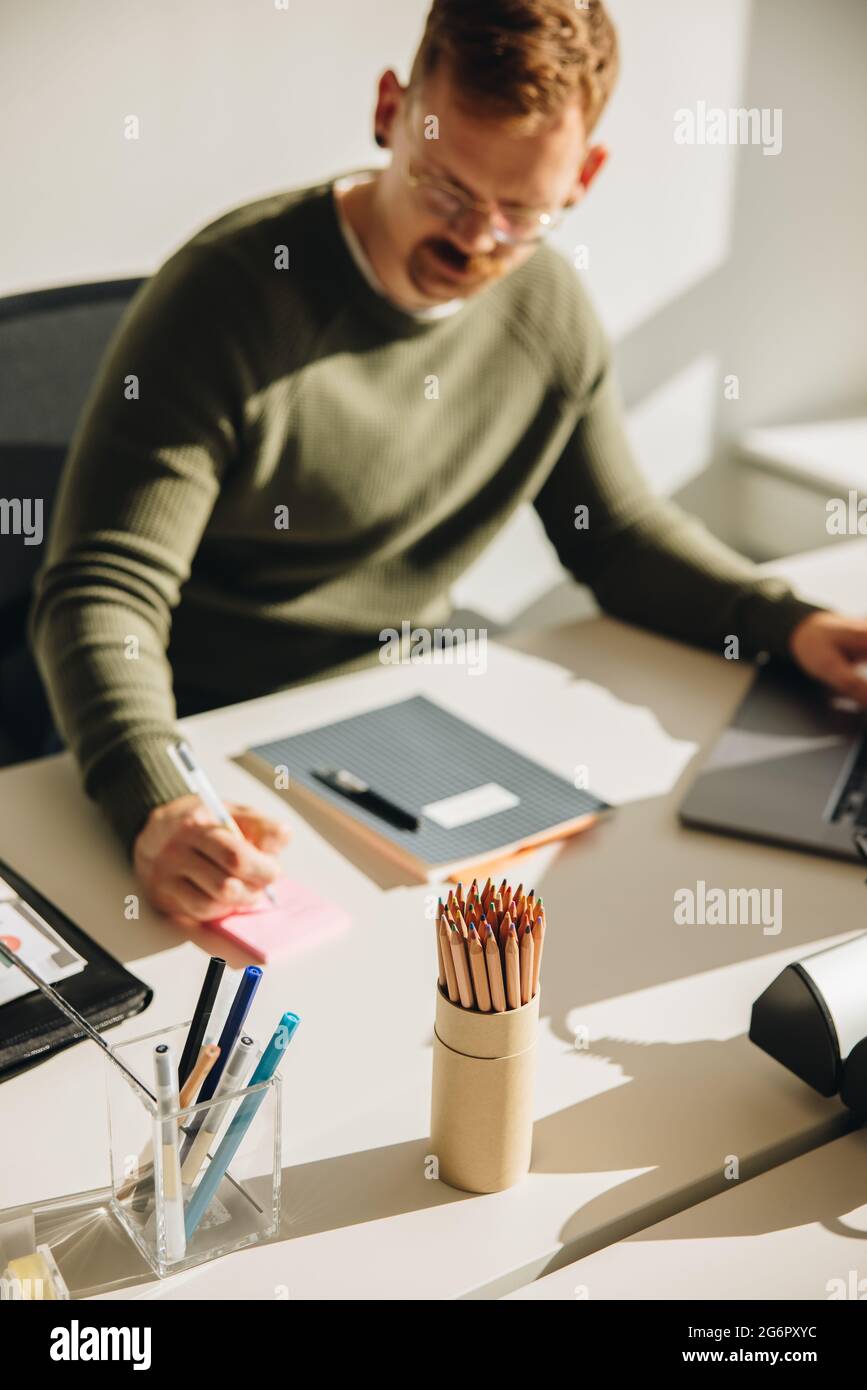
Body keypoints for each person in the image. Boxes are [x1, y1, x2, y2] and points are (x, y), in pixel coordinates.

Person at [30, 0, 867, 927]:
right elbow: (102, 590)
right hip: (212, 726)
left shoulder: (545, 309)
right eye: (445, 188)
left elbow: (616, 535)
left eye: (521, 212)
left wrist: (786, 623)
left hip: (401, 706)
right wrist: (157, 791)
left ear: (584, 176)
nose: (473, 241)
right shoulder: (225, 299)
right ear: (390, 110)